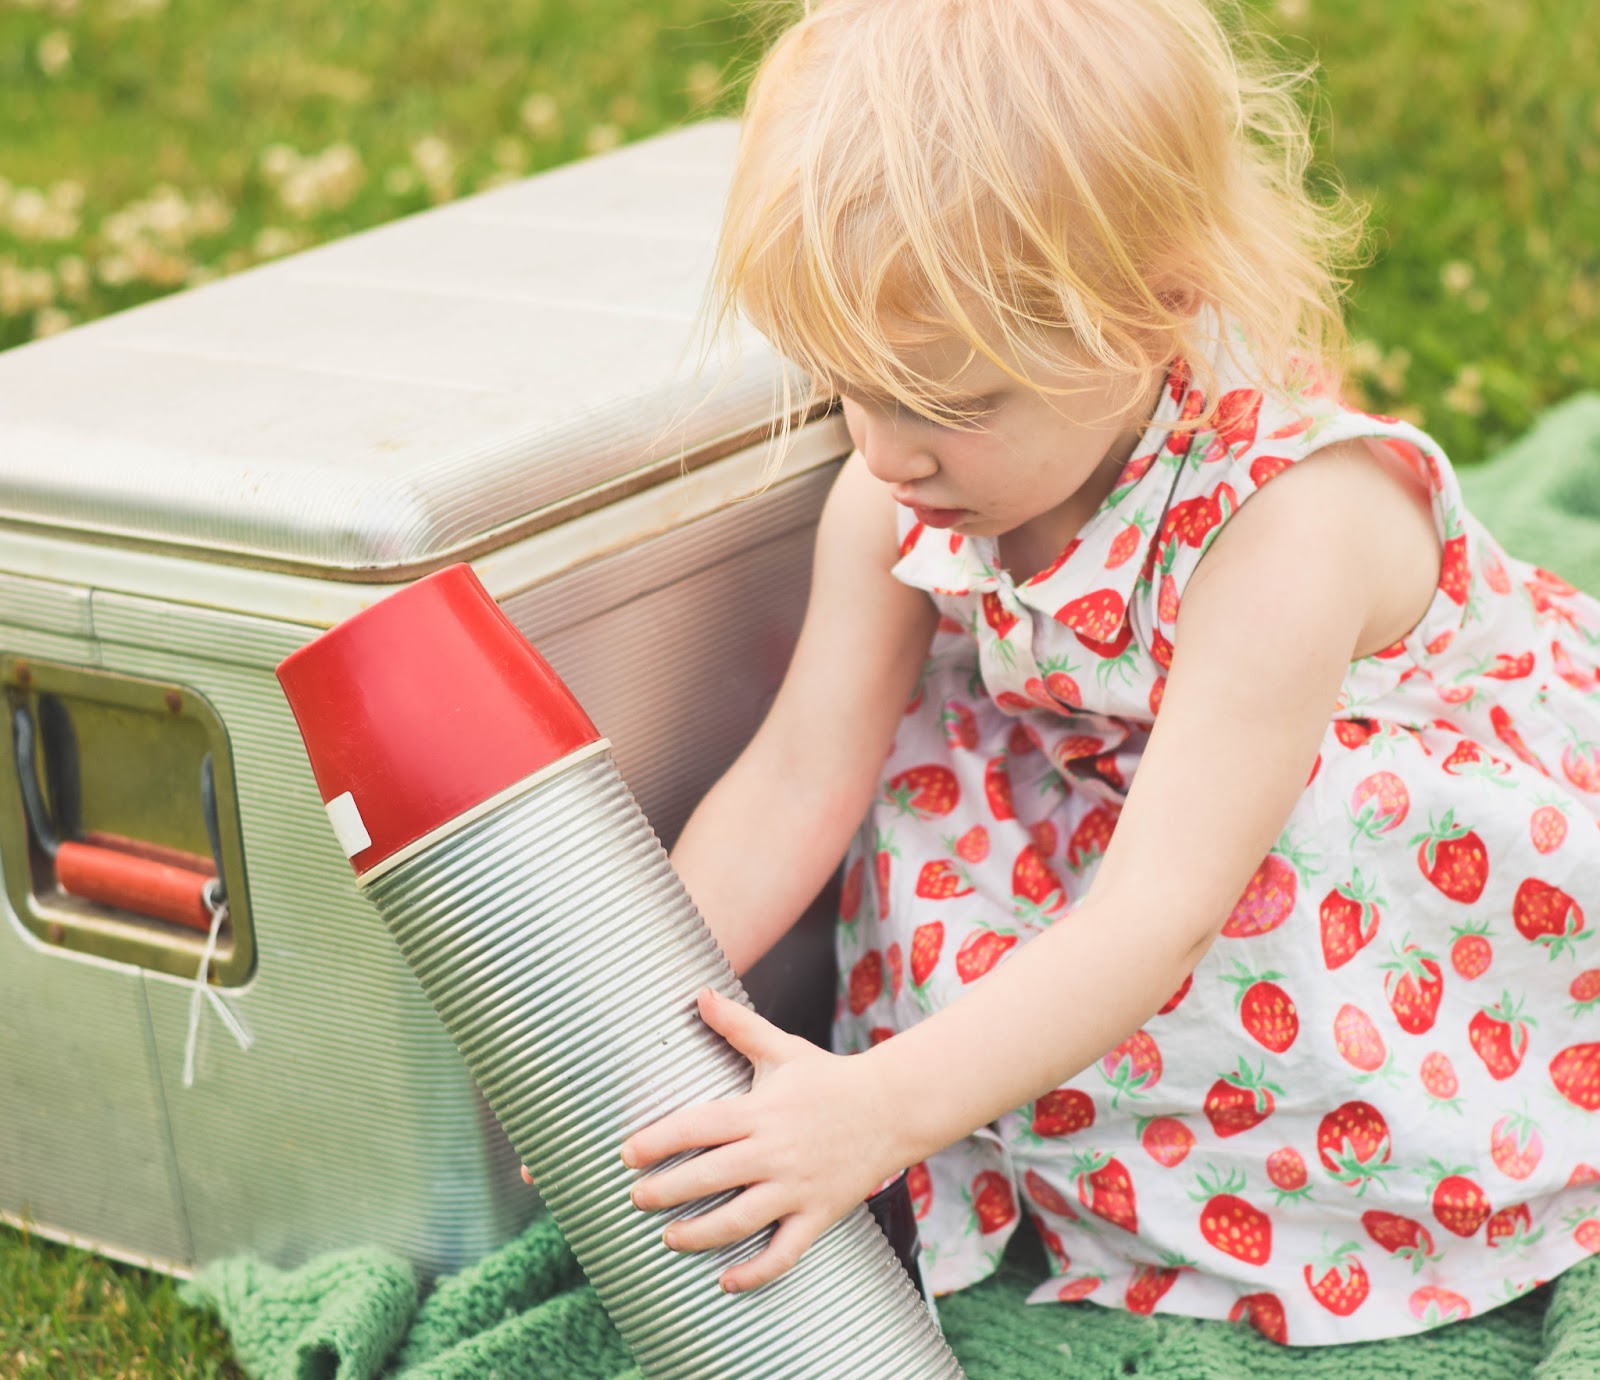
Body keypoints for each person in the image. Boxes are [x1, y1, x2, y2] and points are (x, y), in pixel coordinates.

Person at [606, 0, 1600, 1346]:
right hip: (1129, 819)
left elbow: (1164, 911)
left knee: (1277, 863)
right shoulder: (892, 496)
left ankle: (1337, 1182)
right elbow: (798, 774)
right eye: (851, 383)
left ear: (1154, 310)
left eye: (950, 403)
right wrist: (623, 1037)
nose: (888, 451)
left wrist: (878, 1108)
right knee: (932, 796)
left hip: (1373, 877)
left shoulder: (1282, 528)